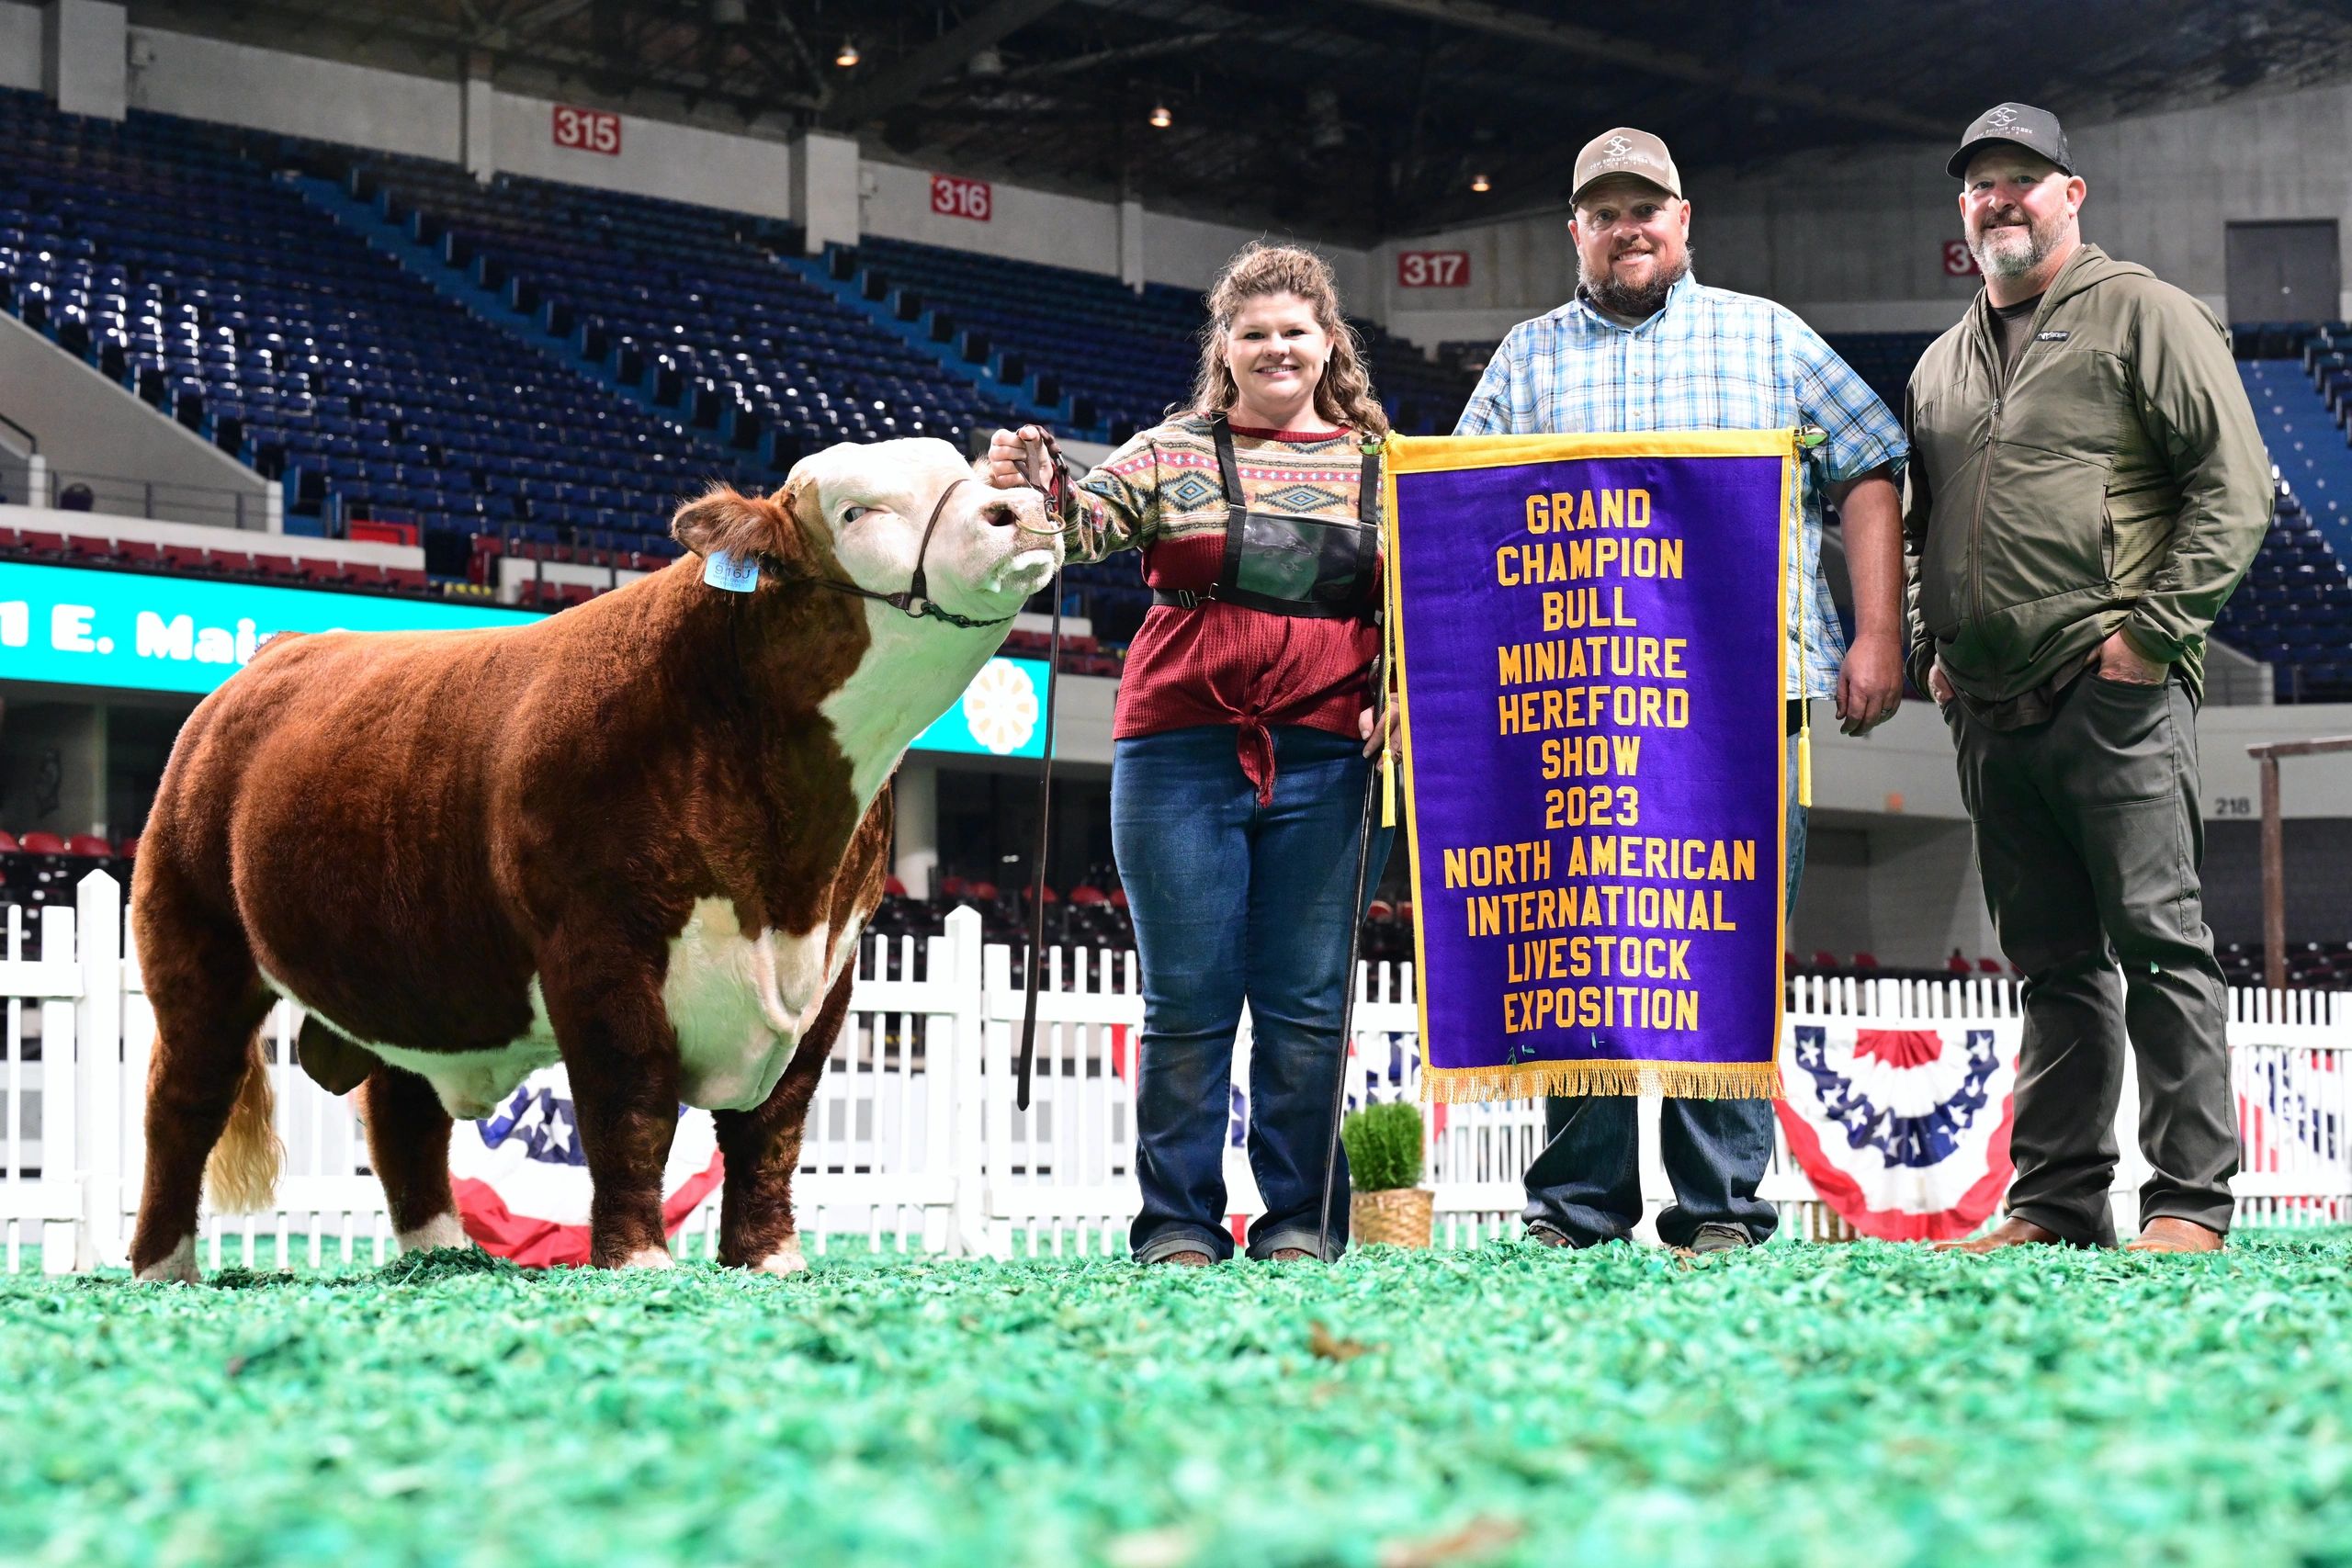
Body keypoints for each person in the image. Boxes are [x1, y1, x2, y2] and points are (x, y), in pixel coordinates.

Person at [1456, 127, 1908, 1256]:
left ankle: (1719, 1208)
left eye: (1645, 208)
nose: (1628, 229)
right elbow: (1462, 511)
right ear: (1575, 231)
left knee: (1726, 941)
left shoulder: (1769, 335)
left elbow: (1870, 468)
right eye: (1604, 213)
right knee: (1579, 948)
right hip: (1575, 709)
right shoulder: (1524, 357)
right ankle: (1576, 1207)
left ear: (1683, 218)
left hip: (1742, 704)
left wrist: (1878, 632)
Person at [984, 243, 1395, 1267]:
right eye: (1254, 333)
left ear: (1329, 344)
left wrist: (1402, 691)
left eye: (1294, 331)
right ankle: (1178, 1223)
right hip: (1177, 754)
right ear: (1226, 347)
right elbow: (1077, 527)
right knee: (1187, 1004)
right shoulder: (1168, 452)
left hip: (1331, 762)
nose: (1275, 348)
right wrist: (1033, 481)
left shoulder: (1387, 466)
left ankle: (1301, 1224)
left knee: (1308, 1007)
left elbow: (1437, 594)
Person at [1905, 105, 2269, 1255]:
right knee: (2050, 963)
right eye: (1981, 184)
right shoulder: (1939, 362)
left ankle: (2188, 1204)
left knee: (2160, 943)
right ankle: (2058, 1203)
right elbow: (1920, 528)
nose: (1999, 198)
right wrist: (1929, 642)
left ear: (2071, 193)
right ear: (1962, 209)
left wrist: (2151, 639)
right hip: (1987, 705)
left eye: (2022, 178)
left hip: (2112, 686)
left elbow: (2235, 486)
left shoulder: (2144, 312)